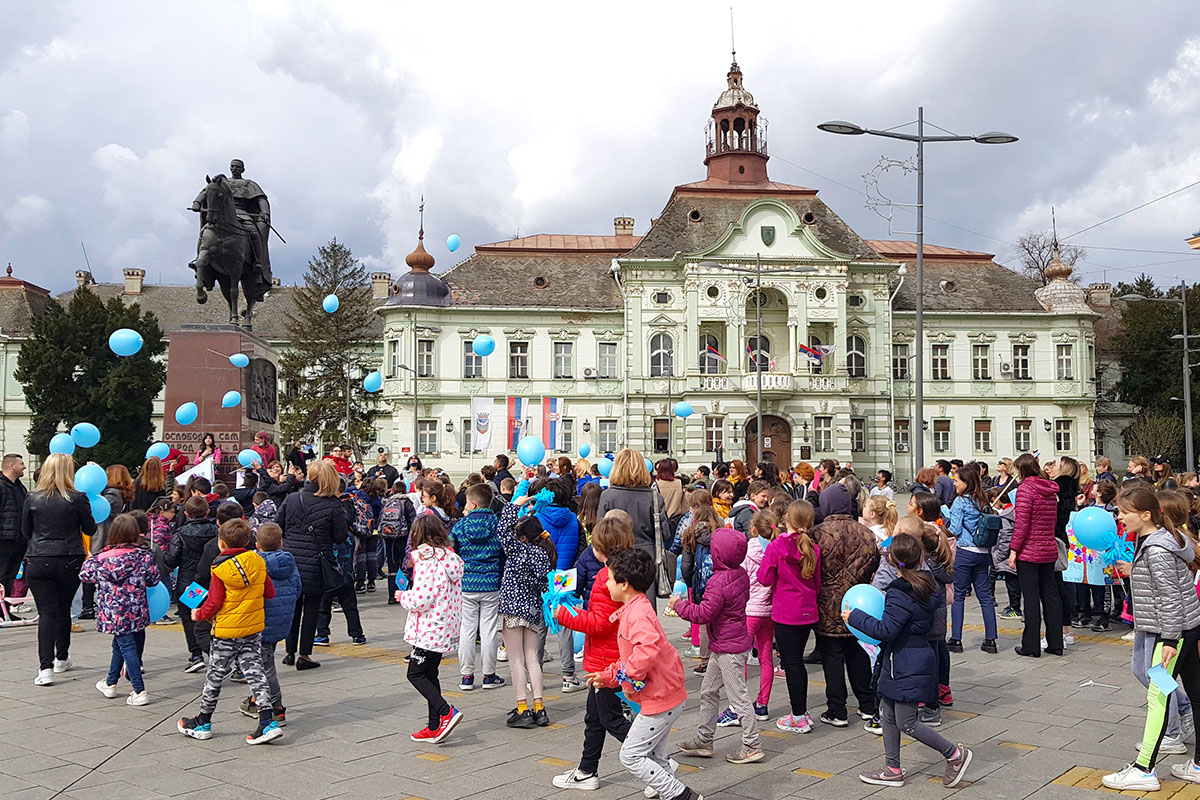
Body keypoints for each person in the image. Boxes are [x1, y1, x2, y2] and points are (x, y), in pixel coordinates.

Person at [846, 533, 974, 788]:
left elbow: (886, 630)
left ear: (893, 560)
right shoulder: (927, 585)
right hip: (907, 660)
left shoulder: (901, 592)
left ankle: (954, 754)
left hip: (905, 662)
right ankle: (892, 768)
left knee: (907, 722)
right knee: (888, 714)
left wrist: (855, 617)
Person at [1102, 484, 1200, 791]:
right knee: (1195, 693)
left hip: (1171, 633)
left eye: (1125, 512)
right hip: (1185, 627)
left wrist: (1169, 641)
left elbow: (1169, 598)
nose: (1120, 518)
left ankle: (1144, 768)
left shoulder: (1156, 548)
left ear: (1146, 515)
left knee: (1158, 696)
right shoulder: (1162, 540)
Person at [585, 548, 701, 800]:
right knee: (655, 755)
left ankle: (680, 795)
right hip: (665, 694)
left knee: (631, 755)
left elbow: (645, 650)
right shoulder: (635, 608)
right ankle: (668, 788)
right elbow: (632, 655)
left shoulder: (637, 614)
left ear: (624, 584)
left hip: (660, 698)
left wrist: (626, 675)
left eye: (609, 578)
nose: (605, 582)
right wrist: (608, 676)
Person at [178, 518, 282, 745]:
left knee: (215, 675)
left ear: (222, 544)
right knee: (256, 673)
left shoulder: (219, 568)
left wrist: (198, 614)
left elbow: (214, 601)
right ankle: (267, 720)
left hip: (226, 631)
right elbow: (270, 592)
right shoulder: (258, 561)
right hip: (253, 628)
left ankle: (203, 721)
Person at [551, 516, 635, 790]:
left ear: (604, 551)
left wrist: (563, 615)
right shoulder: (629, 575)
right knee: (595, 718)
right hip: (616, 656)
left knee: (610, 719)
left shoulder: (604, 581)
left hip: (605, 661)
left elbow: (599, 624)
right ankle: (587, 770)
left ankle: (656, 760)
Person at [671, 526, 764, 765]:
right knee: (708, 690)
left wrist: (679, 605)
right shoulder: (740, 573)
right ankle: (704, 739)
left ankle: (752, 744)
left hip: (728, 649)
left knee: (739, 697)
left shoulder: (718, 582)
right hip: (728, 643)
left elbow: (704, 613)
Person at [22, 454, 97, 685]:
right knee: (64, 608)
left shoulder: (32, 497)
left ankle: (45, 669)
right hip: (70, 557)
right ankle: (61, 657)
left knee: (46, 613)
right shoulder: (78, 498)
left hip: (39, 556)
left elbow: (25, 531)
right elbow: (90, 528)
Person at [810, 481, 880, 726]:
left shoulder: (816, 534)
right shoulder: (866, 533)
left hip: (826, 605)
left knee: (831, 658)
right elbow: (873, 565)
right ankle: (868, 705)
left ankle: (837, 710)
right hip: (859, 604)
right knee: (858, 654)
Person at [398, 514, 466, 744]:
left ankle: (446, 712)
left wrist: (403, 596)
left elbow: (421, 599)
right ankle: (434, 725)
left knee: (415, 674)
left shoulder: (428, 561)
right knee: (429, 673)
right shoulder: (449, 558)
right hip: (444, 625)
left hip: (428, 627)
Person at [81, 513, 160, 706]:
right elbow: (154, 580)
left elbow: (85, 575)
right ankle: (110, 683)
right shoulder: (144, 555)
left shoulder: (101, 558)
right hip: (137, 609)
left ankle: (139, 690)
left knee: (125, 645)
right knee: (121, 644)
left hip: (113, 612)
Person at [757, 499, 820, 733]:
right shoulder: (813, 548)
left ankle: (798, 715)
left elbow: (764, 578)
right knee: (797, 663)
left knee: (791, 663)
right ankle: (800, 711)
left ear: (787, 520)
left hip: (785, 611)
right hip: (808, 609)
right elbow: (817, 581)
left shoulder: (776, 547)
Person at [278, 459, 346, 670]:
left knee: (293, 607)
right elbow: (340, 537)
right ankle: (304, 654)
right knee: (311, 609)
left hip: (291, 561)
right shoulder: (334, 504)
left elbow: (277, 525)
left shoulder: (292, 499)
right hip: (317, 564)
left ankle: (289, 652)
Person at [496, 500, 555, 728]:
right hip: (532, 609)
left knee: (516, 661)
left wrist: (514, 504)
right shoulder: (544, 555)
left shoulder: (517, 550)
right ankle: (539, 707)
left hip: (511, 608)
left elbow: (502, 529)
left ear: (522, 537)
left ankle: (522, 708)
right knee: (533, 660)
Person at [237, 522, 298, 728]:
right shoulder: (289, 562)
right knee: (263, 661)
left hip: (261, 620)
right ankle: (257, 699)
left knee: (264, 665)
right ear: (281, 542)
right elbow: (297, 588)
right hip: (282, 619)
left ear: (257, 544)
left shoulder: (254, 563)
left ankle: (276, 707)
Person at [530, 477, 583, 692]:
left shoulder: (537, 519)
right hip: (565, 574)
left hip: (543, 575)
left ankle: (534, 674)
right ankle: (568, 675)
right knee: (564, 627)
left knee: (540, 627)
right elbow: (581, 546)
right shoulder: (573, 518)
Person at [1008, 453, 1064, 657]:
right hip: (1048, 548)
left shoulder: (1025, 490)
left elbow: (1022, 524)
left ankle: (1031, 645)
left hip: (1029, 550)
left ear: (1021, 470)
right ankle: (1056, 643)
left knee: (1031, 598)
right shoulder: (1049, 489)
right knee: (1050, 596)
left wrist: (1013, 550)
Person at [451, 483, 505, 691]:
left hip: (467, 583)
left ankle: (466, 676)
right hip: (491, 583)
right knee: (489, 628)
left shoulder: (460, 526)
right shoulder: (498, 524)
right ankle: (488, 675)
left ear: (473, 504)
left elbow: (451, 549)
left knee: (467, 629)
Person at [596, 449, 670, 600]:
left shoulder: (608, 496)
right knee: (643, 610)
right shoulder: (654, 497)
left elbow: (600, 534)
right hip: (646, 559)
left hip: (616, 558)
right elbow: (665, 533)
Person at [946, 463, 998, 655]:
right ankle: (991, 639)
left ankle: (956, 639)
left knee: (958, 595)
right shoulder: (983, 501)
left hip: (965, 551)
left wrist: (946, 520)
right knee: (985, 597)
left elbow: (955, 530)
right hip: (983, 553)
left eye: (957, 481)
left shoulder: (961, 502)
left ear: (966, 483)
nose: (954, 484)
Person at [165, 495, 219, 672]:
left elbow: (171, 560)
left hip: (190, 584)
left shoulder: (180, 534)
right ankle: (218, 651)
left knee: (189, 619)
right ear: (208, 511)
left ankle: (196, 654)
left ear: (186, 514)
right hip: (213, 581)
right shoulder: (217, 531)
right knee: (215, 618)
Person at [313, 482, 366, 646]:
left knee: (325, 604)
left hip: (330, 571)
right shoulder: (347, 514)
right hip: (346, 572)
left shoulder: (338, 508)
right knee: (349, 604)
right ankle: (357, 634)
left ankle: (322, 633)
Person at [0, 453, 27, 604]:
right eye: (21, 463)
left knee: (11, 575)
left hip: (18, 538)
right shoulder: (1, 485)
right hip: (4, 538)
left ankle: (5, 609)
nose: (24, 466)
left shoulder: (19, 487)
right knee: (2, 574)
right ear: (12, 466)